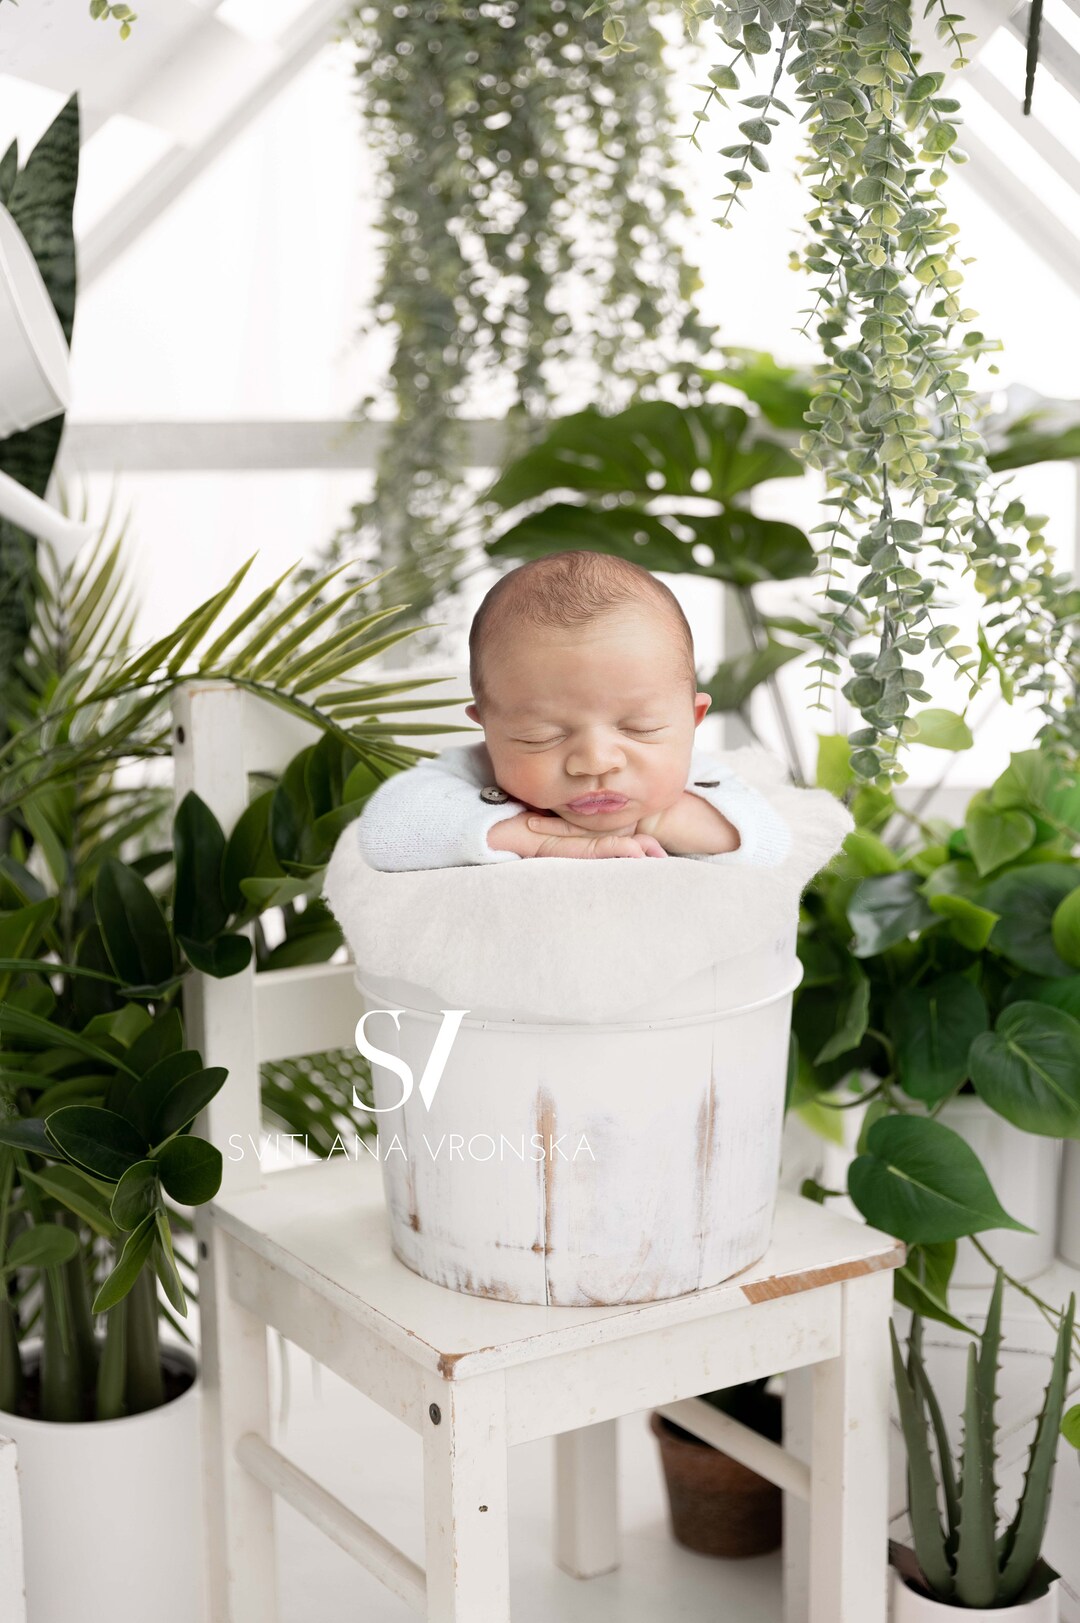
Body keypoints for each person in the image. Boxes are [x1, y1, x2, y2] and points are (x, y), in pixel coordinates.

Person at [357, 549, 793, 872]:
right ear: (488, 731)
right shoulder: (469, 774)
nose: (596, 761)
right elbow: (386, 833)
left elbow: (772, 842)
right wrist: (539, 840)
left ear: (692, 721)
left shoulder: (700, 781)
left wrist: (656, 819)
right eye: (541, 737)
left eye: (641, 728)